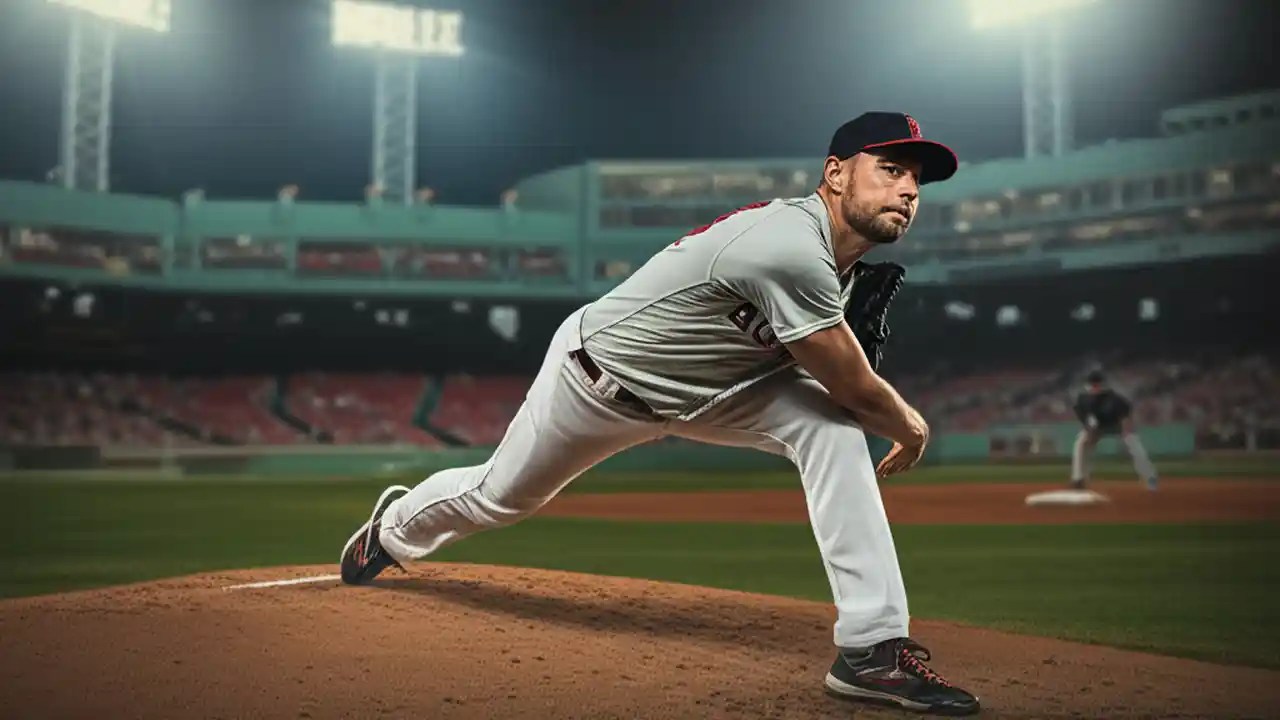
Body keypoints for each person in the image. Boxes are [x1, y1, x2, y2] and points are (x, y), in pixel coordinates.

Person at [340, 112, 979, 715]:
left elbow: (821, 379)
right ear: (835, 174)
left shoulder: (838, 272)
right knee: (499, 498)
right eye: (891, 169)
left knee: (831, 430)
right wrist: (913, 428)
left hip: (715, 394)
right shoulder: (789, 245)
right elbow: (860, 390)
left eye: (916, 180)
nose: (908, 190)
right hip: (596, 382)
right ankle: (393, 530)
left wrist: (841, 371)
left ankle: (871, 648)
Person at [1070, 369, 1159, 490]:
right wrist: (1089, 431)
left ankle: (1150, 477)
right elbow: (1083, 419)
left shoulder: (1114, 399)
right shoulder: (1082, 400)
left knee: (1133, 442)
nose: (1094, 387)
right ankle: (1079, 478)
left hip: (1116, 425)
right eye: (1092, 384)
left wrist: (1126, 432)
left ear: (1102, 384)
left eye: (1097, 384)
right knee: (1080, 441)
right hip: (1097, 428)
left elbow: (1126, 418)